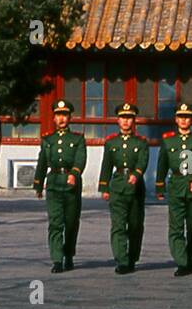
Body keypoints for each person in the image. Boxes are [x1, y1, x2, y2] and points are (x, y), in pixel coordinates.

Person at [33, 99, 86, 273]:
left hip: (71, 186)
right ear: (54, 118)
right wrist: (38, 184)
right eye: (58, 115)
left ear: (70, 117)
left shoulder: (77, 139)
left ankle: (69, 254)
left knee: (71, 223)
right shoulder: (48, 140)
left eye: (64, 115)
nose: (61, 118)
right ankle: (57, 259)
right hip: (54, 184)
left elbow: (80, 159)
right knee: (55, 223)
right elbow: (42, 162)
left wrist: (75, 174)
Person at [156, 102, 192, 276]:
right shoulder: (169, 140)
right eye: (181, 117)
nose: (184, 120)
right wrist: (159, 185)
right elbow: (162, 163)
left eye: (187, 117)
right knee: (176, 226)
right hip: (176, 185)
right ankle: (182, 261)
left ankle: (191, 256)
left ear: (191, 120)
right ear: (176, 119)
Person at [98, 102, 149, 274]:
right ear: (118, 120)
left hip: (136, 188)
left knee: (135, 225)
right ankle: (121, 260)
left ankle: (133, 257)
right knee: (118, 225)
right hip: (118, 185)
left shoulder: (141, 142)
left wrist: (137, 173)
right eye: (123, 118)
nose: (126, 122)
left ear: (134, 121)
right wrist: (104, 187)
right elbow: (106, 165)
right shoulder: (112, 143)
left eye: (129, 118)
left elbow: (143, 160)